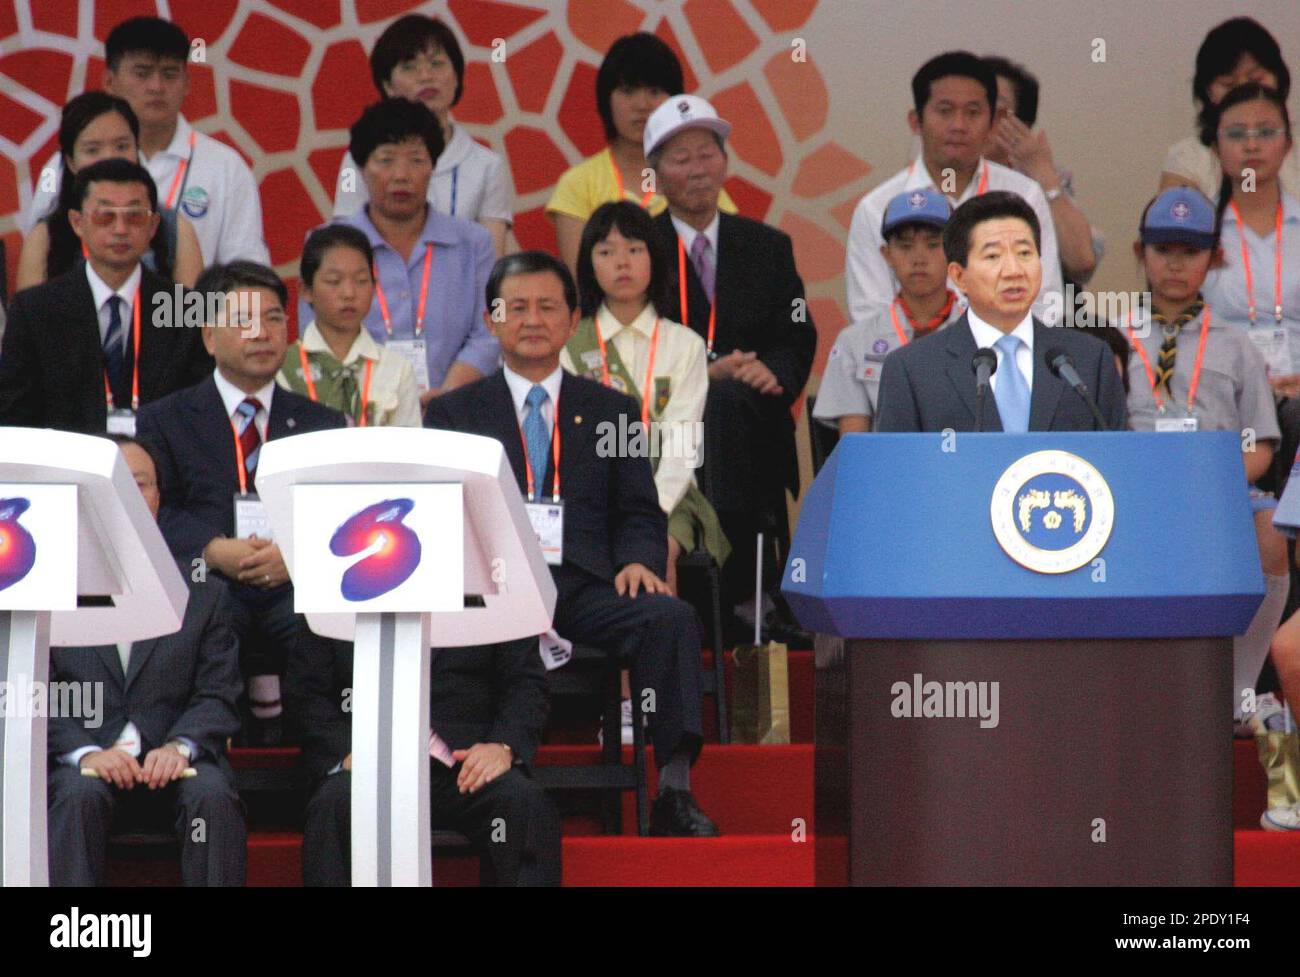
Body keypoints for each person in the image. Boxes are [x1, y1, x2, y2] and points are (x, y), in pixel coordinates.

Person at [425, 251, 720, 836]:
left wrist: (637, 558)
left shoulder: (613, 410)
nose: (532, 320)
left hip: (582, 587)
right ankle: (460, 776)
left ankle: (674, 787)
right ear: (491, 320)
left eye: (547, 307)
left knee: (669, 618)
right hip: (490, 593)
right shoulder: (454, 413)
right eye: (516, 307)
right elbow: (440, 515)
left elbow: (639, 508)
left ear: (572, 319)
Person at [1123, 188, 1290, 832]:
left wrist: (1204, 478)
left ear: (1214, 260)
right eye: (1163, 249)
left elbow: (1262, 447)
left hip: (1217, 488)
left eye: (1191, 252)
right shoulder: (1113, 337)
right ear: (1140, 253)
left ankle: (1240, 688)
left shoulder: (1236, 346)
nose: (1176, 264)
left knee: (1271, 529)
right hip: (1134, 490)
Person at [137, 261, 345, 746]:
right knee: (208, 610)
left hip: (291, 581)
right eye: (243, 320)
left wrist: (296, 555)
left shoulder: (321, 423)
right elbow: (153, 510)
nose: (262, 333)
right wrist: (211, 549)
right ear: (210, 337)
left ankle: (324, 754)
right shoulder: (165, 419)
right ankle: (198, 746)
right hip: (208, 578)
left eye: (273, 318)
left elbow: (337, 512)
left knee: (317, 619)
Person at [646, 94, 815, 628]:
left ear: (724, 163)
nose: (697, 169)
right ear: (656, 175)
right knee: (717, 400)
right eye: (681, 159)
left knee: (731, 403)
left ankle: (745, 587)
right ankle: (733, 590)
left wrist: (776, 371)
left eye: (707, 155)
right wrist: (702, 372)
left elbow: (796, 330)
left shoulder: (767, 245)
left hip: (752, 420)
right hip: (662, 421)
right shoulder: (638, 248)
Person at [47, 434, 245, 886]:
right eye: (113, 482)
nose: (128, 495)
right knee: (76, 794)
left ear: (158, 498)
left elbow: (218, 693)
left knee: (211, 794)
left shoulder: (203, 593)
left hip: (174, 760)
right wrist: (85, 751)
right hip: (87, 762)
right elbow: (35, 693)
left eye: (139, 483)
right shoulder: (52, 590)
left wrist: (180, 747)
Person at [286, 630, 560, 885]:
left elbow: (525, 682)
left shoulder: (496, 595)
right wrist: (345, 751)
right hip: (371, 765)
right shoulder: (334, 597)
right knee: (332, 804)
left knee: (524, 802)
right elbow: (306, 690)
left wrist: (503, 745)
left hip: (466, 767)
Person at [562, 201, 729, 595]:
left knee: (657, 551)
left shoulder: (684, 344)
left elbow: (682, 445)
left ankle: (657, 625)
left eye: (635, 249)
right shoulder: (569, 344)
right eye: (606, 252)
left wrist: (652, 512)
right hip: (592, 494)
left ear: (654, 258)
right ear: (588, 265)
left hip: (668, 494)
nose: (622, 263)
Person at [23, 16, 268, 266]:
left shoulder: (227, 167)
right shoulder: (58, 167)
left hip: (183, 293)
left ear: (187, 83)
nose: (156, 86)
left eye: (170, 74)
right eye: (142, 73)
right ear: (109, 81)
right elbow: (39, 250)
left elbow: (248, 269)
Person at [875, 191, 1126, 433]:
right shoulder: (912, 368)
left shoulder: (1090, 360)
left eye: (1024, 253)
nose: (1013, 271)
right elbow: (897, 461)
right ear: (959, 276)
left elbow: (1115, 454)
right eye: (993, 256)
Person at [845, 51, 1062, 325]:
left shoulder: (1024, 195)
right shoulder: (876, 208)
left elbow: (1046, 304)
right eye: (945, 111)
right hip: (912, 352)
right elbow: (871, 319)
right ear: (916, 121)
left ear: (992, 123)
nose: (958, 125)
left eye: (973, 112)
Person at [0, 158, 211, 435]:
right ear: (77, 222)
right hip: (67, 457)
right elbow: (15, 418)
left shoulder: (184, 309)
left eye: (134, 216)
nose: (120, 229)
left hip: (162, 458)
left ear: (153, 225)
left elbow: (200, 410)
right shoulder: (34, 310)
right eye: (105, 216)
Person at [321, 98, 498, 409]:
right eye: (386, 160)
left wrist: (447, 396)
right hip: (356, 415)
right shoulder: (327, 246)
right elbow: (318, 338)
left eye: (416, 160)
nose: (401, 175)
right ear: (361, 169)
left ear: (433, 166)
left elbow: (491, 330)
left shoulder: (474, 243)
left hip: (456, 411)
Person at [546, 32, 739, 274]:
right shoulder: (578, 184)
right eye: (628, 91)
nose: (642, 105)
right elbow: (581, 281)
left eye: (655, 91)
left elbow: (727, 266)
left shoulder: (697, 179)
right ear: (606, 100)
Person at [332, 13, 512, 257]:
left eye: (436, 64)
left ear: (457, 77)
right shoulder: (357, 160)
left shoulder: (488, 166)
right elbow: (345, 242)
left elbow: (492, 262)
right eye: (409, 67)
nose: (426, 76)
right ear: (387, 85)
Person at [16, 91, 202, 290]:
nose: (110, 158)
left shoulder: (175, 229)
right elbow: (30, 308)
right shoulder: (45, 237)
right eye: (92, 150)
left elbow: (196, 308)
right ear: (71, 162)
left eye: (122, 146)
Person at [814, 188, 961, 434]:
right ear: (887, 254)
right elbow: (856, 445)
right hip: (886, 459)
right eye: (905, 246)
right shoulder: (854, 341)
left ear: (955, 251)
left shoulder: (980, 332)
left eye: (933, 245)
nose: (919, 258)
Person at [1200, 84, 1300, 395]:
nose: (1252, 145)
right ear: (1215, 147)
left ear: (1287, 144)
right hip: (1219, 393)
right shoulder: (1199, 232)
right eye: (1236, 134)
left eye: (1266, 132)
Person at [279, 224, 420, 426]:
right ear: (306, 290)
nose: (349, 293)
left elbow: (409, 443)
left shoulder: (397, 368)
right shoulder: (282, 367)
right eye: (334, 281)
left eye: (361, 281)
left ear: (374, 287)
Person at [982, 55, 1100, 287]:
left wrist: (1042, 173)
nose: (978, 120)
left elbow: (1082, 262)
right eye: (972, 109)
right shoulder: (940, 176)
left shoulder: (1040, 177)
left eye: (996, 110)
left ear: (1022, 126)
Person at [1159, 17, 1300, 199]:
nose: (1244, 92)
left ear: (1279, 79)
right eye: (1229, 84)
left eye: (1256, 79)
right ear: (1209, 92)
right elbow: (1173, 217)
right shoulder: (1188, 159)